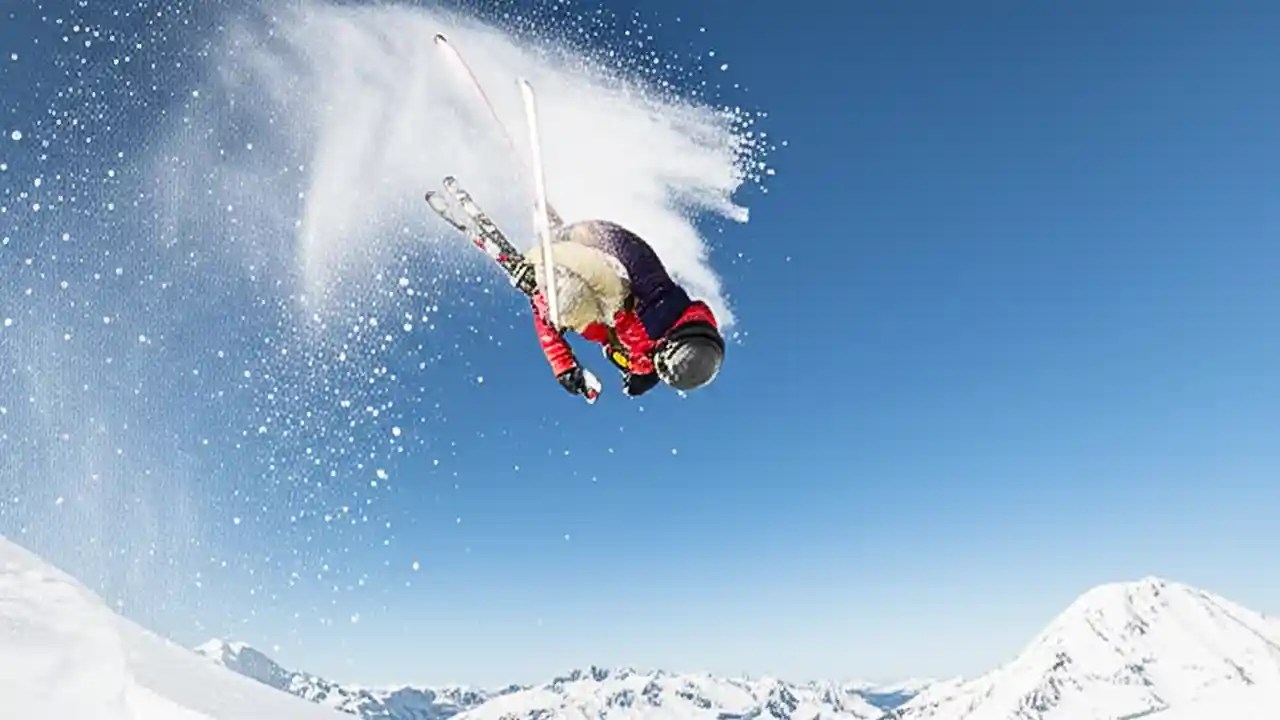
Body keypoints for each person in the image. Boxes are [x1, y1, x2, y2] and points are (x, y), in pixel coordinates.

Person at [524, 219, 725, 399]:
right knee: (606, 298)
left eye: (673, 376)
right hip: (588, 252)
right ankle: (546, 273)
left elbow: (555, 325)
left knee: (585, 319)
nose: (668, 368)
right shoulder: (656, 295)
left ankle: (545, 283)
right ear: (677, 340)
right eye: (678, 361)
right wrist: (560, 244)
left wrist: (563, 366)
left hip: (586, 301)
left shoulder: (647, 360)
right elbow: (615, 249)